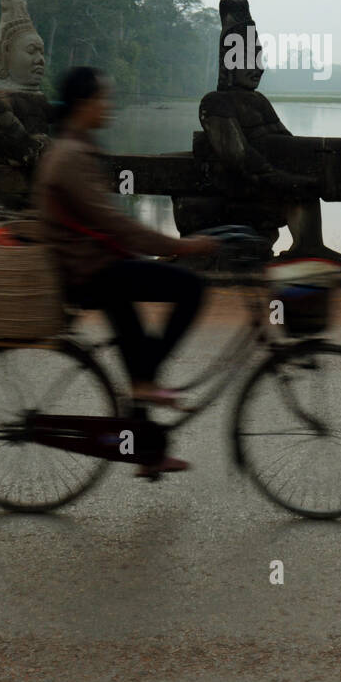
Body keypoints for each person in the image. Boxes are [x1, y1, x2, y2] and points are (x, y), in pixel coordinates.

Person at [33, 66, 219, 472]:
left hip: (99, 268)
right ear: (84, 105)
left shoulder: (74, 150)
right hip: (93, 274)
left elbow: (106, 225)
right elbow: (116, 225)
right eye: (103, 98)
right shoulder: (69, 157)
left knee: (137, 349)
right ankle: (146, 385)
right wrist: (181, 246)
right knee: (191, 288)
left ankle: (147, 448)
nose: (109, 106)